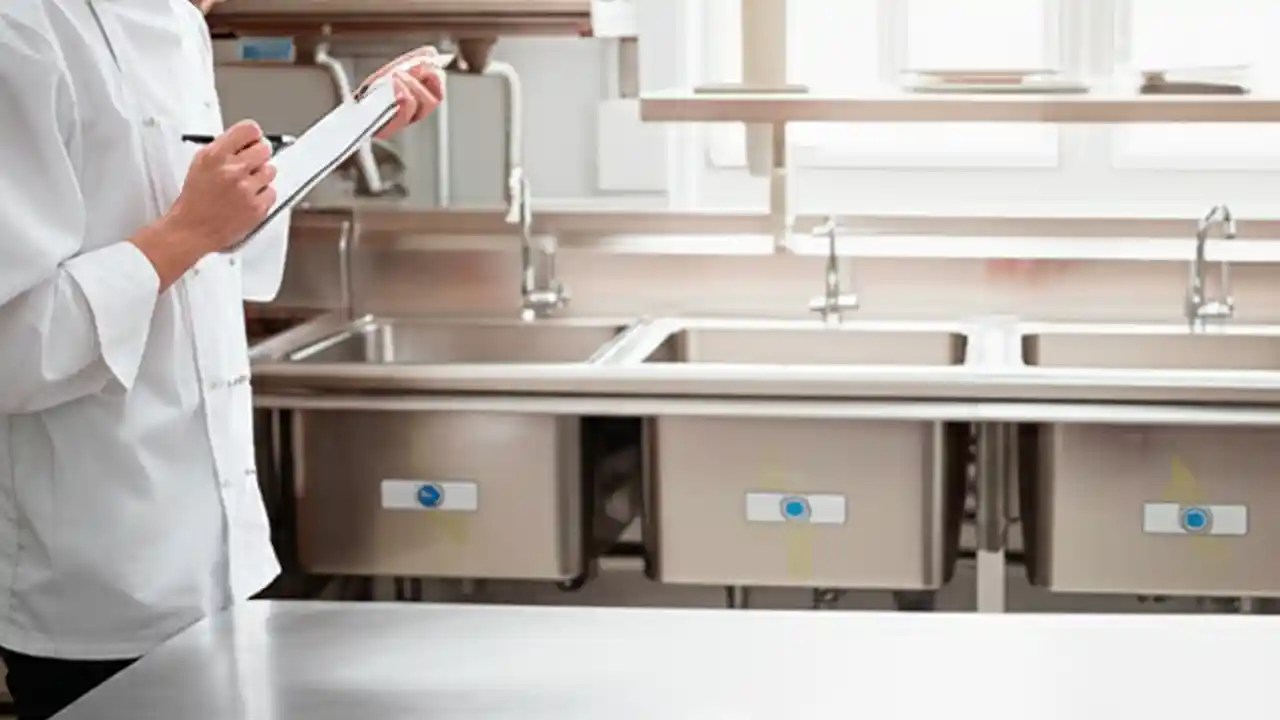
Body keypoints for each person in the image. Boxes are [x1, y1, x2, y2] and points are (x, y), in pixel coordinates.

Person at [0, 1, 444, 718]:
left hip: (226, 564)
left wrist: (353, 124)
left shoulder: (177, 23)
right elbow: (12, 351)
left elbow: (214, 230)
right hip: (98, 590)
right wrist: (186, 231)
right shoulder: (21, 31)